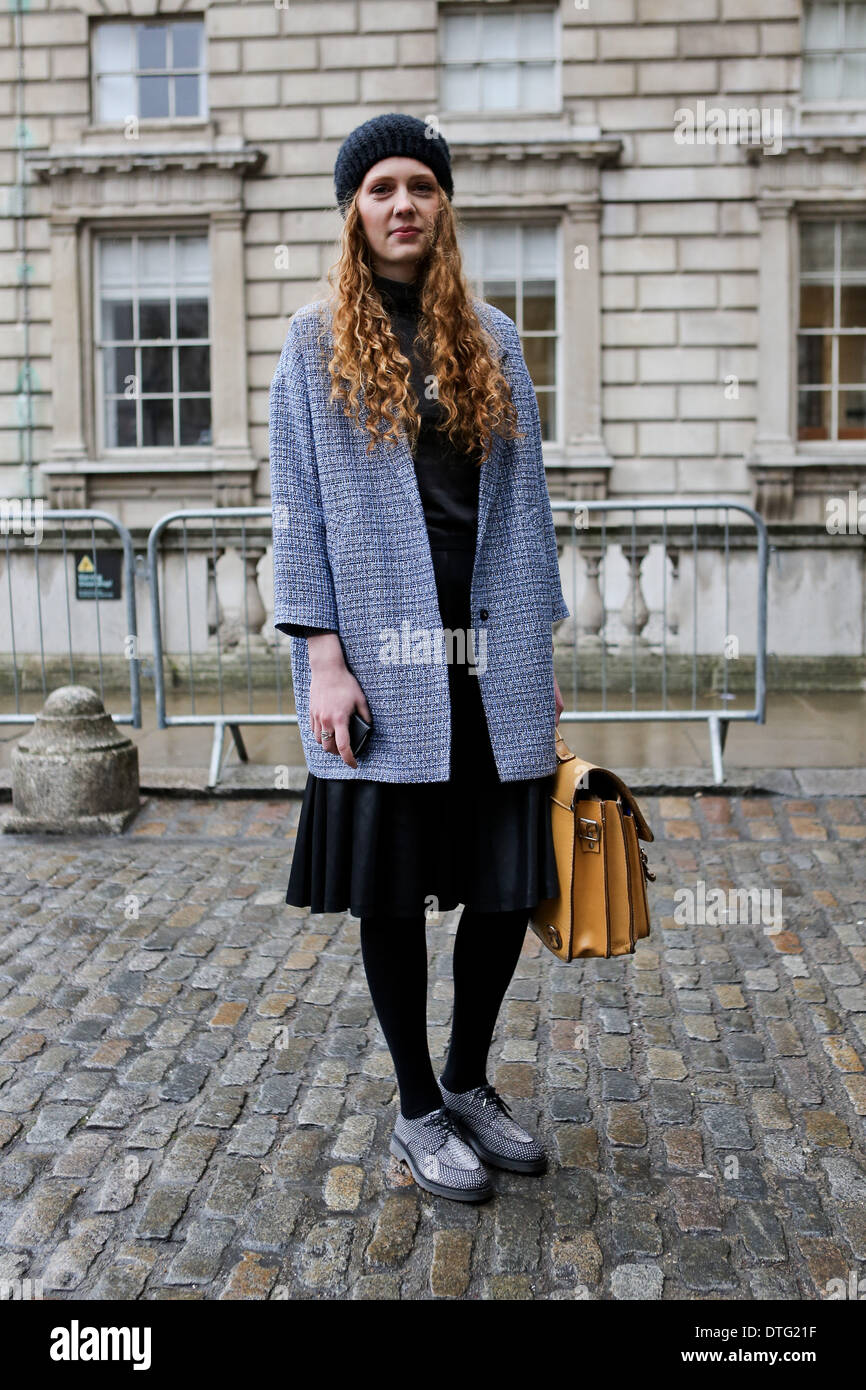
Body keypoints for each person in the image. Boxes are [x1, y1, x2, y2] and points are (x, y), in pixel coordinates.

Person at [269, 113, 570, 1204]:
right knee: (389, 897)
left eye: (421, 187)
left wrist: (535, 650)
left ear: (444, 206)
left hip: (486, 655)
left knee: (501, 886)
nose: (402, 204)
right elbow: (297, 516)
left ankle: (466, 1079)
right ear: (353, 210)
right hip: (380, 662)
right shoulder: (313, 343)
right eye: (380, 188)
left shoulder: (492, 338)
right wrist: (322, 662)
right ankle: (413, 1108)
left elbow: (524, 509)